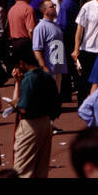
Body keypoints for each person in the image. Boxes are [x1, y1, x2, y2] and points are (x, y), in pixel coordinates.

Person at [11, 46, 60, 178]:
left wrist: (14, 103)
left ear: (22, 62)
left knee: (22, 171)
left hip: (30, 126)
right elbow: (56, 106)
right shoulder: (47, 76)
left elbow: (23, 107)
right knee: (41, 170)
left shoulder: (29, 79)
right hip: (46, 123)